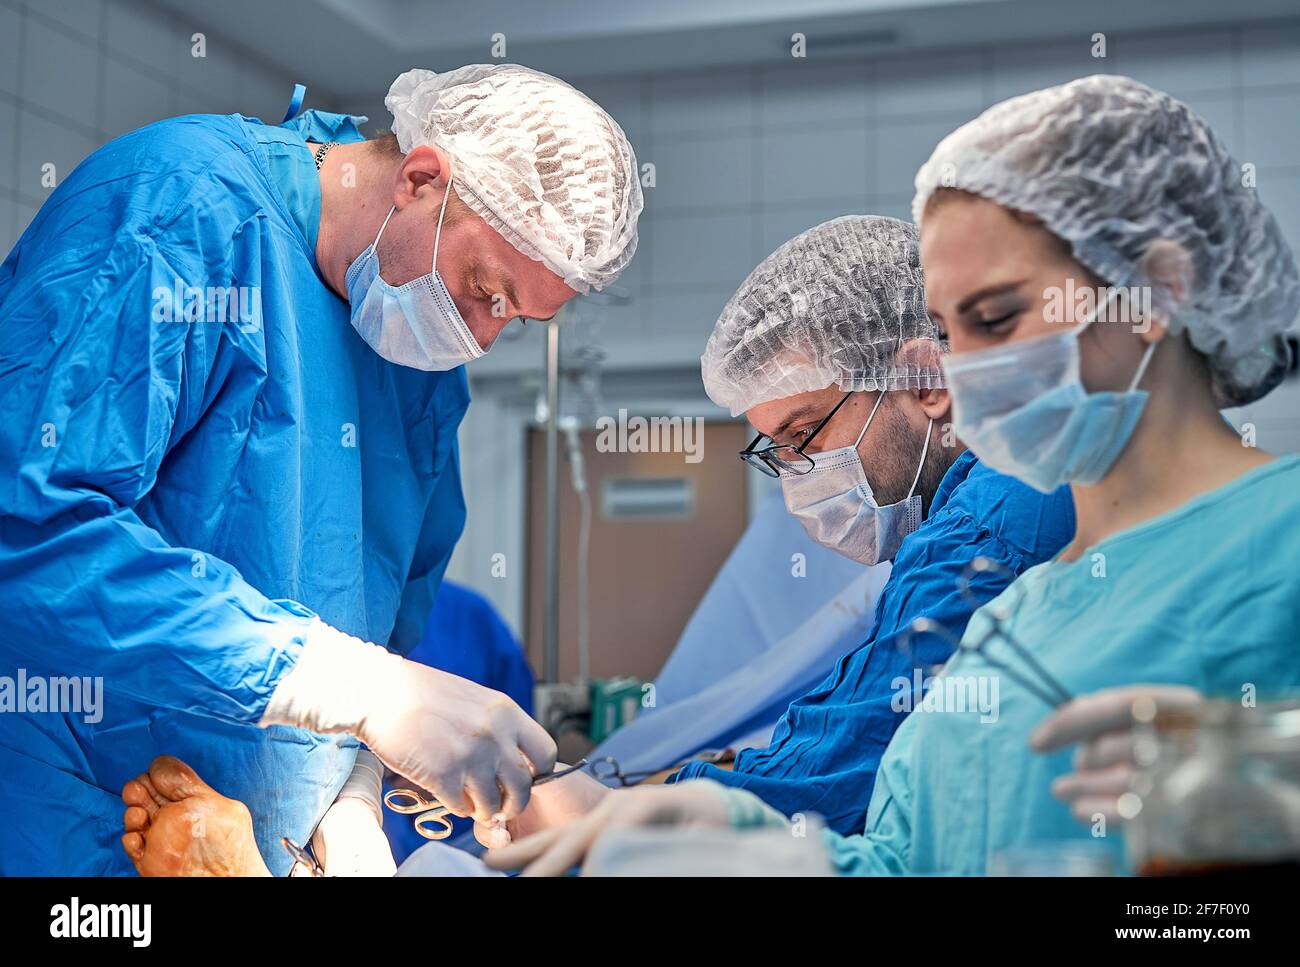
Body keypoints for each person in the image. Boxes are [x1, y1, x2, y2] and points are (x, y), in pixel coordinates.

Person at [485, 75, 1300, 875]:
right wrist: (738, 829)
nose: (956, 375)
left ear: (1156, 290)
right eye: (946, 328)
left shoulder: (1278, 535)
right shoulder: (1020, 615)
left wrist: (1262, 794)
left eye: (995, 318)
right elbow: (909, 854)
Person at [0, 64, 641, 875]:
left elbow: (383, 615)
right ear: (419, 177)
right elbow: (27, 530)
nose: (482, 337)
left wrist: (352, 796)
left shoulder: (420, 374)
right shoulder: (183, 210)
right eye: (485, 289)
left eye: (516, 317)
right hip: (64, 829)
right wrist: (358, 690)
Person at [477, 215, 1074, 844]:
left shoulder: (989, 533)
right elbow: (847, 714)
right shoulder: (980, 507)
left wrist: (611, 811)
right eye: (778, 451)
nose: (799, 478)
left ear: (925, 381)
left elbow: (831, 783)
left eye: (804, 434)